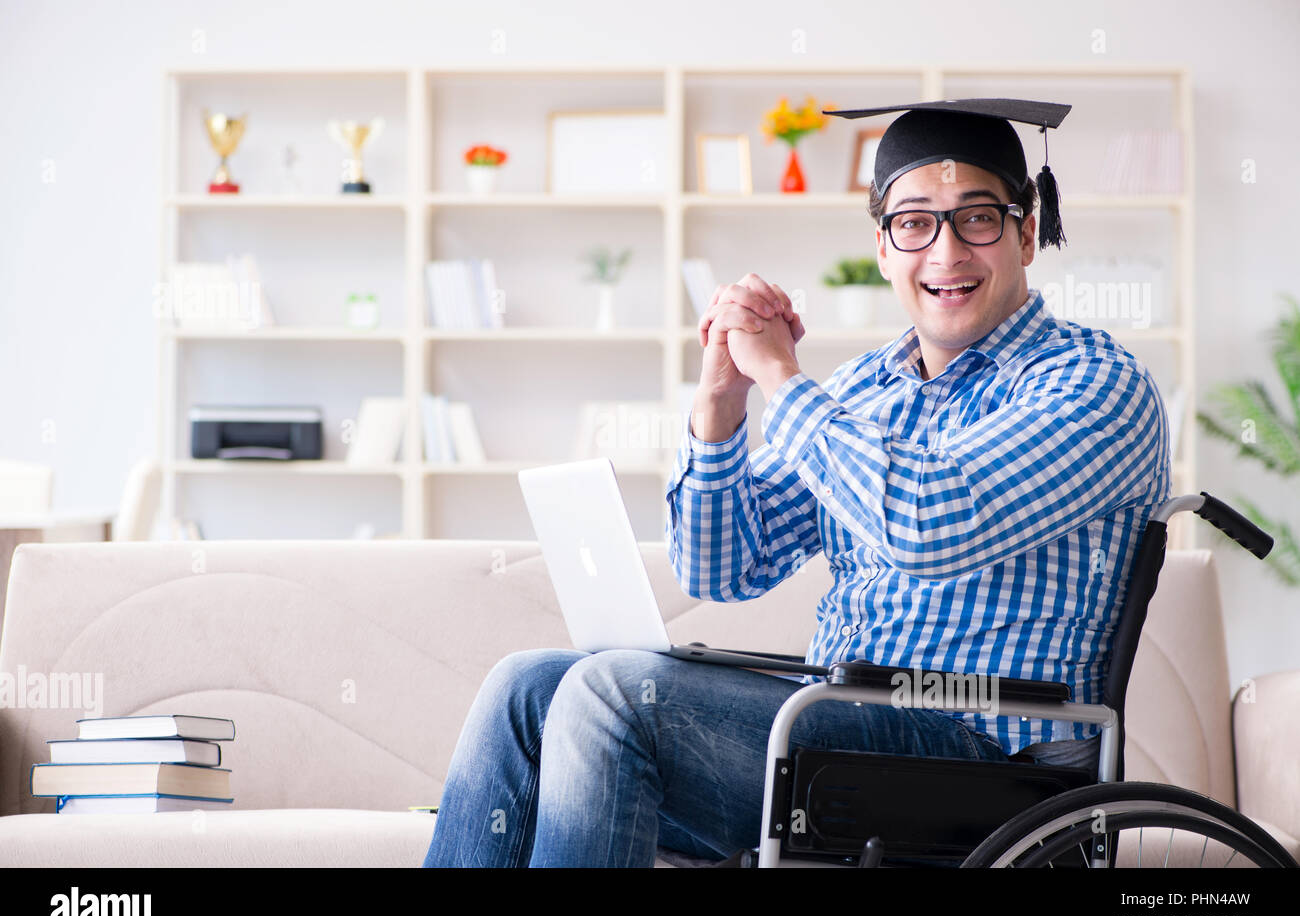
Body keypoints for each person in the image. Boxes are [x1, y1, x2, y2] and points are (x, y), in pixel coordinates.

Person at [422, 99, 1171, 868]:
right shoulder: (864, 391)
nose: (946, 252)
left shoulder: (1095, 384)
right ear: (882, 246)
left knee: (613, 698)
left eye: (977, 218)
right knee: (527, 689)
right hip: (841, 737)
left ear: (1026, 228)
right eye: (914, 223)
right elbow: (723, 568)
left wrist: (781, 376)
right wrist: (722, 404)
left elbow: (931, 524)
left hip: (985, 767)